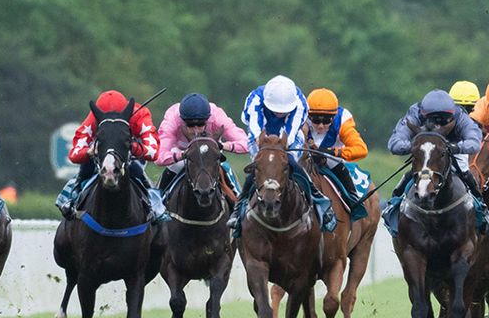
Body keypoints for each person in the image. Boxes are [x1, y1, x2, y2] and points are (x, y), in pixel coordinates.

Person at [234, 75, 334, 235]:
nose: (280, 113)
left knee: (289, 163)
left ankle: (316, 197)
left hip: (287, 136)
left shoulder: (300, 103)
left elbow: (291, 133)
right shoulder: (255, 100)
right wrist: (266, 154)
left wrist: (280, 152)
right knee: (261, 166)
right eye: (276, 110)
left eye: (284, 111)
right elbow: (256, 130)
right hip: (261, 135)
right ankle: (239, 207)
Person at [383, 88, 489, 236]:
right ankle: (393, 206)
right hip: (425, 151)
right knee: (411, 175)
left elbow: (474, 142)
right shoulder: (414, 113)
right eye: (435, 119)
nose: (439, 124)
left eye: (445, 119)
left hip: (452, 149)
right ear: (424, 115)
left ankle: (480, 209)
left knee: (465, 173)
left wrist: (455, 147)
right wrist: (416, 147)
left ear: (452, 114)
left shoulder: (460, 115)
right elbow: (394, 143)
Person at [55, 90, 164, 222]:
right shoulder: (94, 117)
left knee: (135, 169)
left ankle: (152, 203)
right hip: (101, 153)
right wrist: (89, 152)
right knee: (86, 166)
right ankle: (71, 197)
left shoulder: (140, 114)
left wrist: (130, 146)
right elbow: (74, 154)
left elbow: (153, 152)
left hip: (128, 154)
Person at [154, 92, 246, 198]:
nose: (196, 129)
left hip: (210, 152)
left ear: (207, 119)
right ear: (182, 120)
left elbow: (246, 143)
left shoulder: (217, 116)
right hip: (182, 152)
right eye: (190, 124)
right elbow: (158, 157)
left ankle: (239, 202)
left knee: (224, 166)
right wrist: (184, 154)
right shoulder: (173, 118)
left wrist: (222, 146)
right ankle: (158, 202)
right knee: (176, 166)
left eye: (201, 124)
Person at [304, 87, 370, 221]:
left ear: (334, 116)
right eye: (316, 120)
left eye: (327, 120)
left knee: (337, 166)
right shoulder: (300, 119)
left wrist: (334, 152)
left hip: (332, 161)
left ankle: (354, 202)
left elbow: (361, 149)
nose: (321, 126)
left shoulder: (343, 121)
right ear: (308, 115)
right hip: (305, 160)